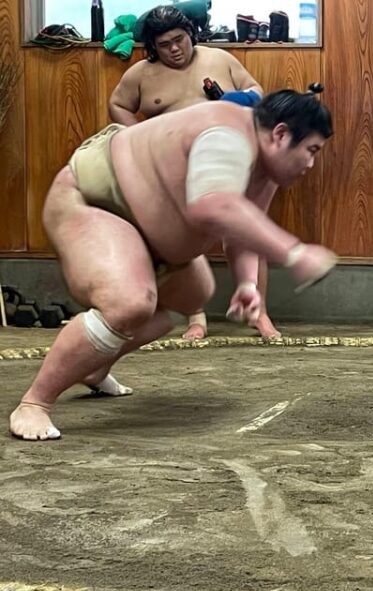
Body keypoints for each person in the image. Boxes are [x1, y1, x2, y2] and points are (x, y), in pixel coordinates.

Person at [9, 86, 336, 442]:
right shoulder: (228, 134)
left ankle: (95, 365)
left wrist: (247, 284)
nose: (311, 164)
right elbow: (214, 205)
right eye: (311, 150)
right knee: (129, 303)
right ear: (281, 134)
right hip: (95, 202)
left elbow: (241, 227)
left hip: (148, 238)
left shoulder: (264, 167)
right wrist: (294, 253)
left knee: (193, 294)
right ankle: (34, 402)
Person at [108, 5, 279, 341]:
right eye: (164, 44)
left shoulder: (220, 59)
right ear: (152, 48)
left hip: (230, 155)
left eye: (179, 39)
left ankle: (260, 314)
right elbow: (118, 104)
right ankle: (195, 318)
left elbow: (258, 92)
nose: (174, 49)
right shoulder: (141, 74)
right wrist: (137, 136)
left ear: (191, 35)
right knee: (182, 242)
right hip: (174, 165)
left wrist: (237, 98)